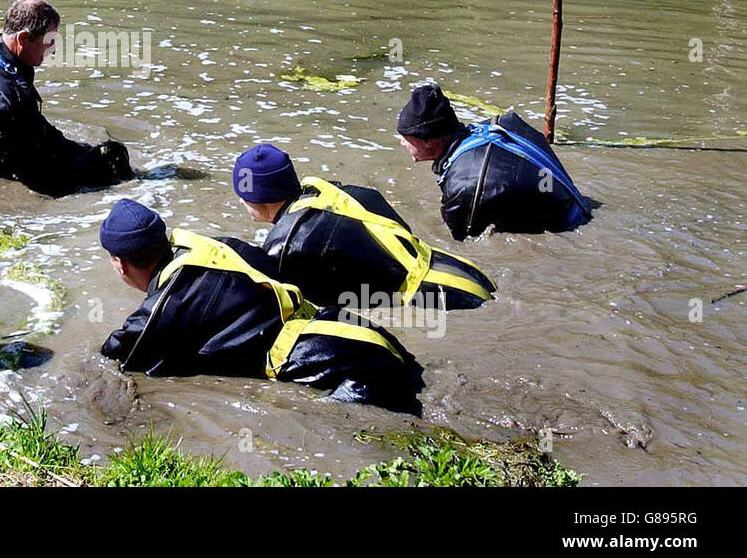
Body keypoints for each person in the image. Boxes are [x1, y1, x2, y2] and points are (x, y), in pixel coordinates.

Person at [97, 199, 423, 413]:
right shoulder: (214, 247)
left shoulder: (166, 306)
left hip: (339, 370)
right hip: (356, 332)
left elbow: (110, 360)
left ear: (120, 265)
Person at [231, 143, 495, 310]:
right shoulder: (333, 192)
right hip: (463, 271)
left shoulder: (285, 248)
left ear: (255, 197)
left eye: (242, 196)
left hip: (443, 302)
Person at [0, 0, 132, 196]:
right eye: (49, 42)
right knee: (112, 159)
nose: (53, 49)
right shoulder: (4, 95)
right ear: (23, 39)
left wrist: (79, 150)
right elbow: (31, 163)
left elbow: (34, 131)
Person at [396, 84, 592, 241]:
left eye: (405, 137)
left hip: (573, 230)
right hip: (577, 203)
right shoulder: (498, 125)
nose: (401, 142)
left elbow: (460, 242)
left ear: (428, 140)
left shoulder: (466, 187)